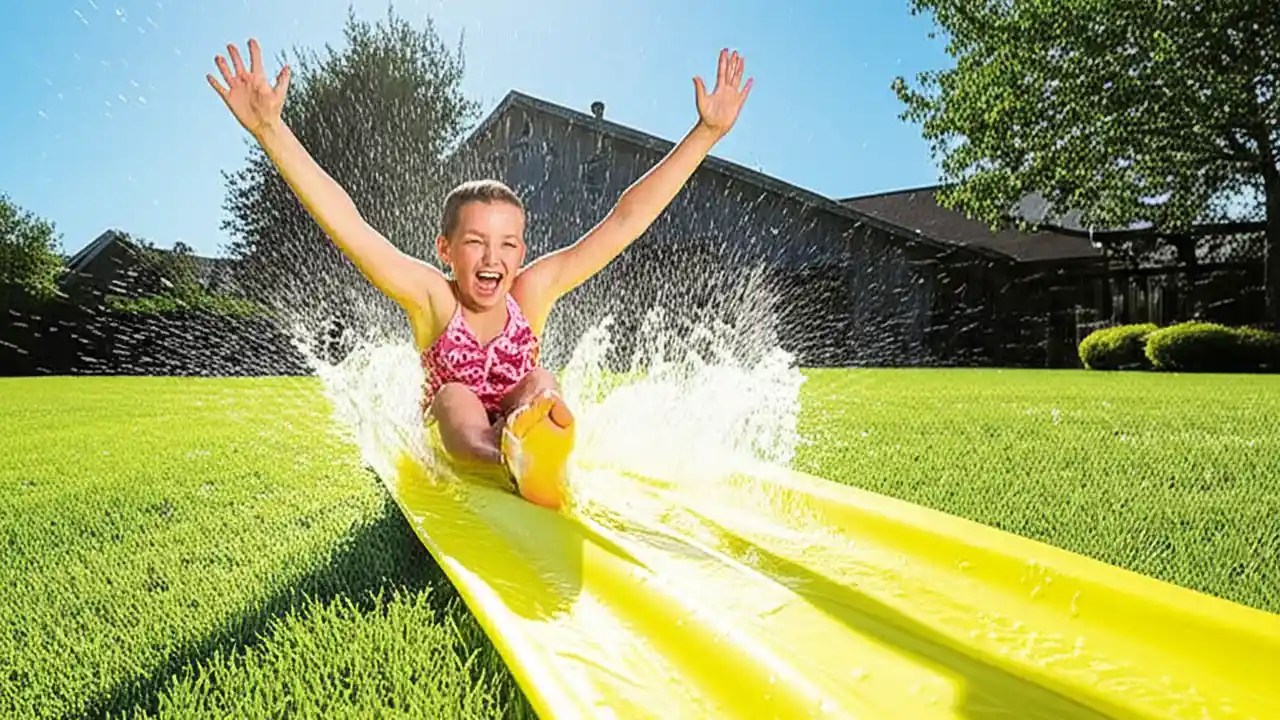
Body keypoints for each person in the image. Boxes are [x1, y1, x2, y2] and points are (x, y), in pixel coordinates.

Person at [207, 38, 753, 508]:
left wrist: (705, 134)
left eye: (507, 244)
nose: (493, 259)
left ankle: (540, 443)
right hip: (456, 431)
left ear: (522, 251)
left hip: (517, 413)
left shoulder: (532, 291)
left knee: (541, 384)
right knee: (456, 398)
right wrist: (270, 130)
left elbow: (624, 221)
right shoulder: (433, 299)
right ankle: (506, 457)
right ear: (446, 250)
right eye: (476, 242)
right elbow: (350, 226)